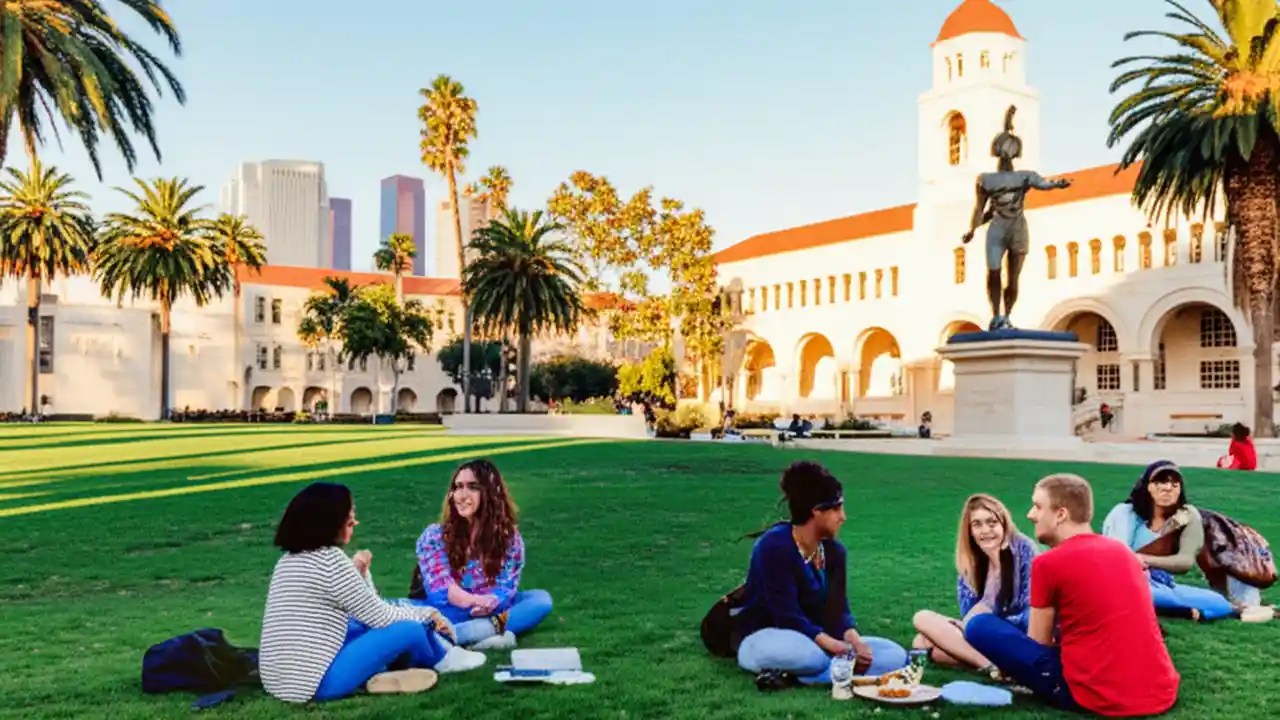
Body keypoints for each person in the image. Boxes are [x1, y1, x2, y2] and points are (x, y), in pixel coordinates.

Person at [965, 473, 1179, 717]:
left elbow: (1038, 644)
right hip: (1160, 690)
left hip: (1099, 697)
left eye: (1037, 506)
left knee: (979, 626)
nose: (1030, 515)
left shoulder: (1048, 563)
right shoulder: (1122, 551)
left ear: (1060, 515)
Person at [259, 482, 485, 704]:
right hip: (318, 684)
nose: (354, 521)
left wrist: (360, 573)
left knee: (367, 625)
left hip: (279, 682)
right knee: (410, 629)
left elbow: (360, 608)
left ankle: (400, 666)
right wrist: (429, 615)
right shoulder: (330, 561)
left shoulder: (288, 561)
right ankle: (442, 658)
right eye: (349, 516)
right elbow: (380, 617)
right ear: (330, 522)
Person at [735, 461, 908, 687]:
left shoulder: (834, 552)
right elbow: (787, 616)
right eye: (837, 508)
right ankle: (828, 672)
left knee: (895, 655)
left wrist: (855, 644)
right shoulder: (774, 546)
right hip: (769, 636)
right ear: (816, 511)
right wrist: (836, 647)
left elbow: (839, 611)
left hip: (818, 640)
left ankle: (805, 674)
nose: (843, 517)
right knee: (810, 657)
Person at [407, 460, 553, 650]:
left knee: (540, 600)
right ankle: (484, 634)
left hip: (490, 612)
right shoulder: (434, 536)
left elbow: (506, 587)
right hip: (445, 611)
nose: (462, 495)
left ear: (490, 493)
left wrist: (492, 602)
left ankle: (459, 636)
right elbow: (441, 589)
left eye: (473, 487)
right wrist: (475, 601)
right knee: (392, 609)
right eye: (458, 487)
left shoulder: (509, 539)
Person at [912, 494, 1036, 676]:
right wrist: (964, 624)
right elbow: (969, 618)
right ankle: (994, 666)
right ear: (969, 530)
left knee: (936, 649)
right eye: (977, 524)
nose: (986, 530)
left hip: (1017, 635)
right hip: (982, 635)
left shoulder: (1024, 550)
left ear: (1004, 524)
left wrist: (998, 566)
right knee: (921, 628)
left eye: (992, 522)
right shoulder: (970, 560)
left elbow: (1031, 611)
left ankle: (990, 665)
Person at [1101, 460, 1235, 621]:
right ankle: (1179, 611)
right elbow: (1119, 558)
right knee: (1135, 592)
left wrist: (1144, 559)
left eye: (1174, 483)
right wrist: (1137, 564)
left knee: (1219, 604)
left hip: (1160, 583)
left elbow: (1185, 562)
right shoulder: (1125, 513)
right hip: (1124, 581)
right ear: (1148, 487)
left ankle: (1170, 608)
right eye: (1160, 482)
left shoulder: (1186, 516)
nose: (1167, 488)